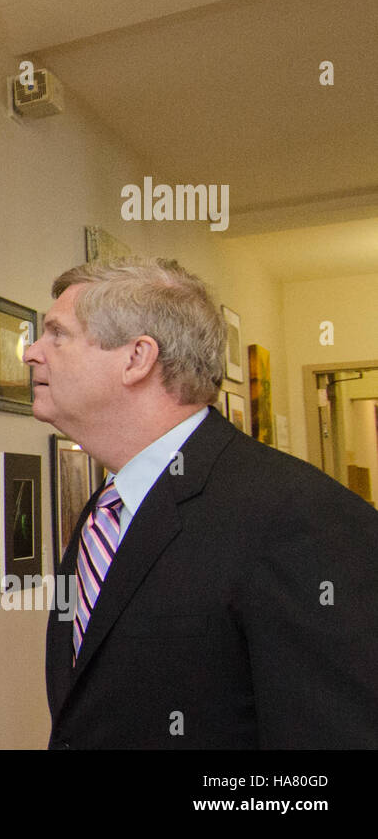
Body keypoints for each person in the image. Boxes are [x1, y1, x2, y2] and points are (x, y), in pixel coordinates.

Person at [22, 257, 378, 749]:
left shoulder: (301, 518)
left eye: (57, 334)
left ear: (136, 358)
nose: (31, 352)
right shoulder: (106, 510)